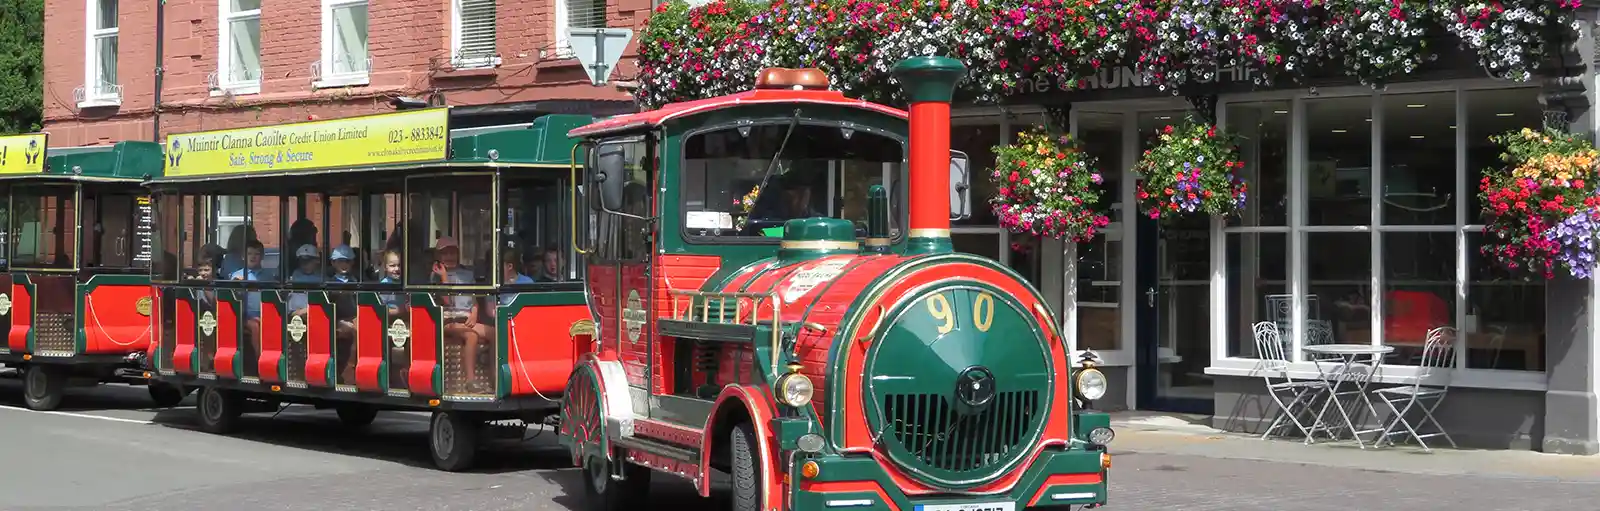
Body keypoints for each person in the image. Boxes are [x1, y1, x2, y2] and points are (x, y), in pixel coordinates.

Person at [431, 237, 491, 393]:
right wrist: (444, 277)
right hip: (448, 320)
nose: (449, 257)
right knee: (471, 335)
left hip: (466, 318)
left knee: (496, 333)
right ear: (438, 256)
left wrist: (474, 313)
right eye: (445, 254)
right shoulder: (435, 276)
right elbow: (447, 300)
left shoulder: (467, 273)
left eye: (452, 253)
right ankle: (470, 381)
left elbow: (473, 298)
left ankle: (494, 377)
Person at [229, 239, 270, 351]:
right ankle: (259, 361)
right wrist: (237, 286)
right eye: (249, 253)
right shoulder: (237, 275)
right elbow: (233, 297)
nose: (253, 257)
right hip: (245, 317)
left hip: (266, 314)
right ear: (243, 256)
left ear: (262, 257)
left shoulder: (268, 276)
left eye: (257, 254)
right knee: (255, 326)